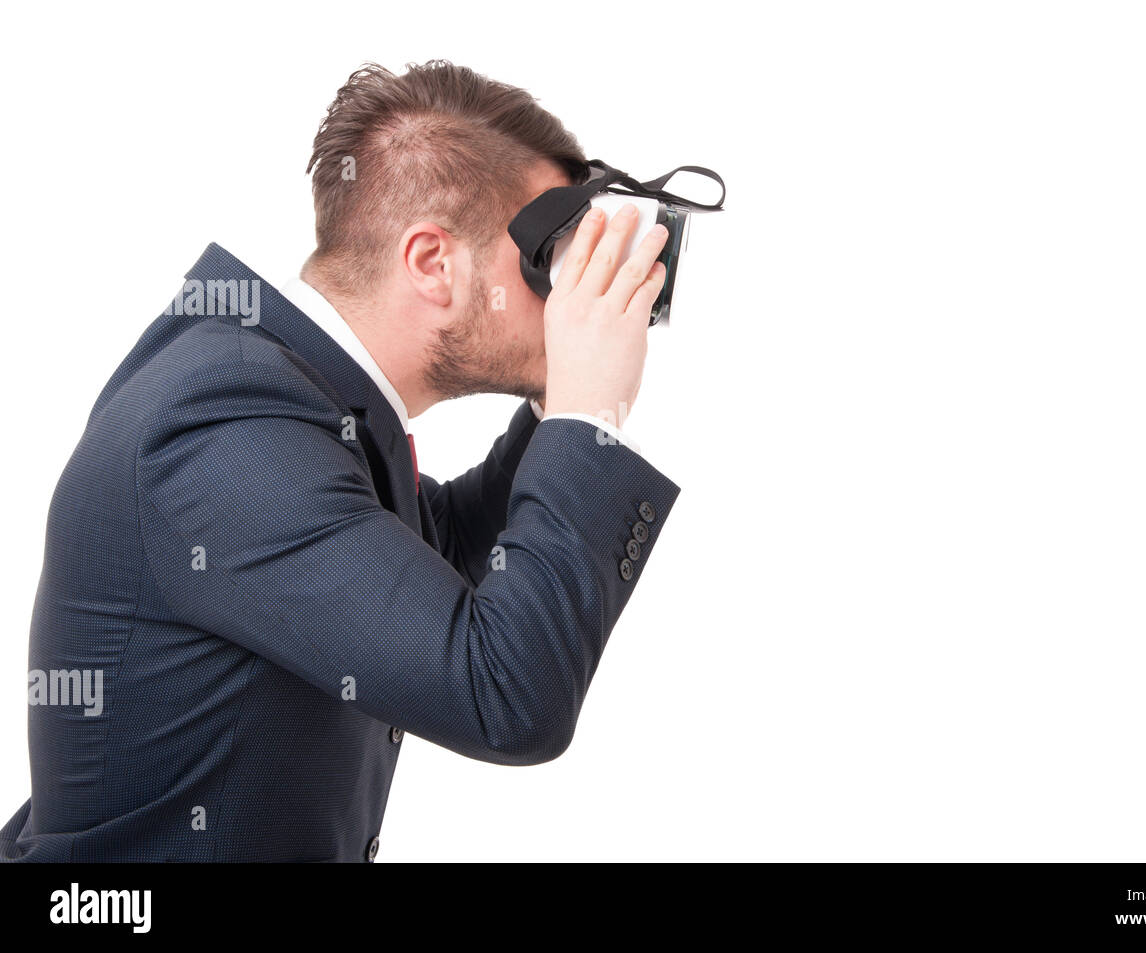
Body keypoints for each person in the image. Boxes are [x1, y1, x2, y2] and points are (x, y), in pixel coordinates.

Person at [2, 60, 678, 862]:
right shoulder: (225, 429)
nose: (567, 288)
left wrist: (557, 401)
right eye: (547, 256)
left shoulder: (296, 392)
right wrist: (584, 414)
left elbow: (446, 555)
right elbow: (507, 696)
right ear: (432, 262)